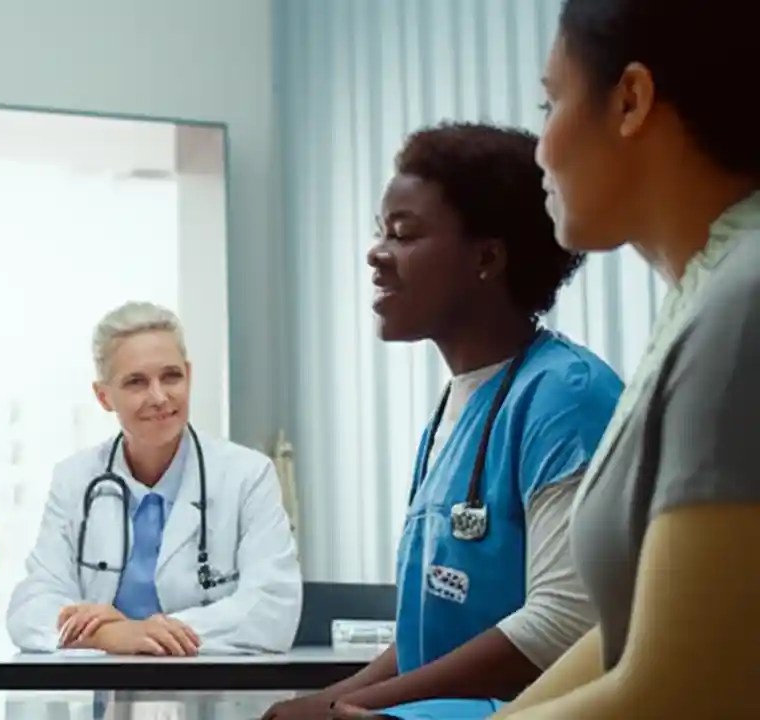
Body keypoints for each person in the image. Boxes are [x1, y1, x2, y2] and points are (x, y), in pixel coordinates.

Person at [265, 123, 623, 720]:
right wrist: (330, 700)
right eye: (380, 233)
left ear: (487, 257)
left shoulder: (567, 398)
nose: (377, 255)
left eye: (402, 234)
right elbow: (428, 636)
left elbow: (565, 626)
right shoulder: (453, 414)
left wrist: (347, 709)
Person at [493, 2, 760, 717]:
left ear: (632, 100)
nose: (540, 147)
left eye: (551, 102)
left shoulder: (744, 304)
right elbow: (633, 633)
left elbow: (684, 689)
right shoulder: (710, 293)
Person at [6, 301, 301, 656]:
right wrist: (109, 637)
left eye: (171, 376)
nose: (159, 397)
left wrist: (139, 633)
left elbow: (272, 611)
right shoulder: (76, 480)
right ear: (104, 397)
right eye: (136, 382)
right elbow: (30, 609)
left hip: (219, 698)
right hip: (110, 703)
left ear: (189, 376)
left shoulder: (247, 476)